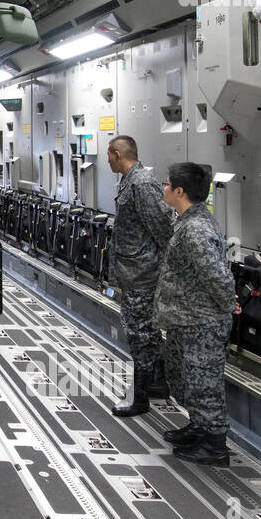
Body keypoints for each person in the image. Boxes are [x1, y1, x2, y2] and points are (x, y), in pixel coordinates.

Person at [155, 162, 236, 466]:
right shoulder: (187, 222)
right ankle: (199, 428)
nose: (163, 188)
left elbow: (217, 277)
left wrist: (228, 303)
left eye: (166, 184)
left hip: (202, 321)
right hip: (186, 318)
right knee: (189, 379)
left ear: (179, 191)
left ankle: (215, 446)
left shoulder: (197, 229)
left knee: (205, 383)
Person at [105, 135, 175, 417]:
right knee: (141, 333)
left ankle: (141, 397)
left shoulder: (141, 183)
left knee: (141, 335)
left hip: (143, 274)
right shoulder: (129, 181)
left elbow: (162, 227)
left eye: (109, 155)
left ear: (118, 154)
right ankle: (157, 384)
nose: (107, 160)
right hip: (133, 272)